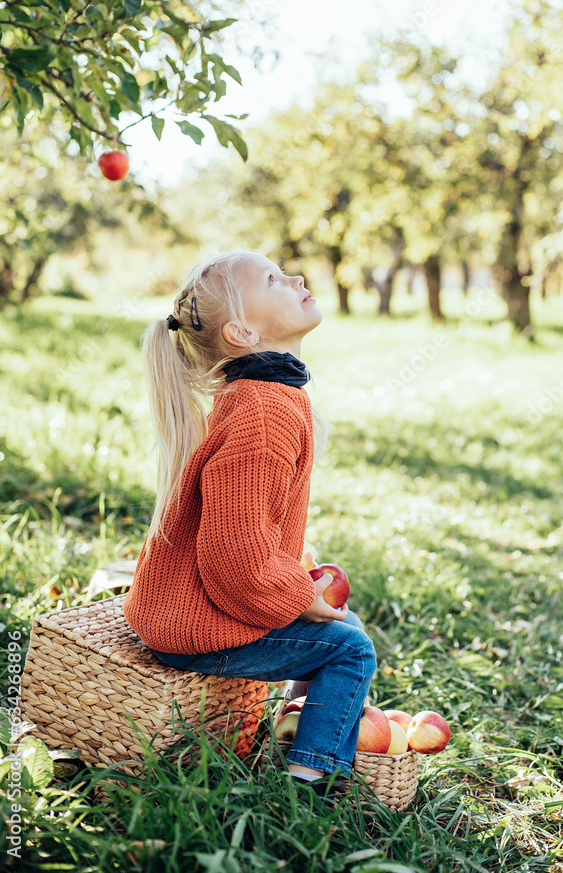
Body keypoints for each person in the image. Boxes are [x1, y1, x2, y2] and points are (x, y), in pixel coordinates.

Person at [123, 250, 377, 793]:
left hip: (200, 606)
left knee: (343, 631)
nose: (296, 278)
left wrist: (293, 572)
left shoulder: (270, 397)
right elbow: (234, 555)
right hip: (194, 624)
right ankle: (308, 784)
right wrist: (298, 598)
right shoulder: (263, 414)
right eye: (273, 279)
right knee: (352, 649)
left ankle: (291, 735)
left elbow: (251, 521)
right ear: (242, 331)